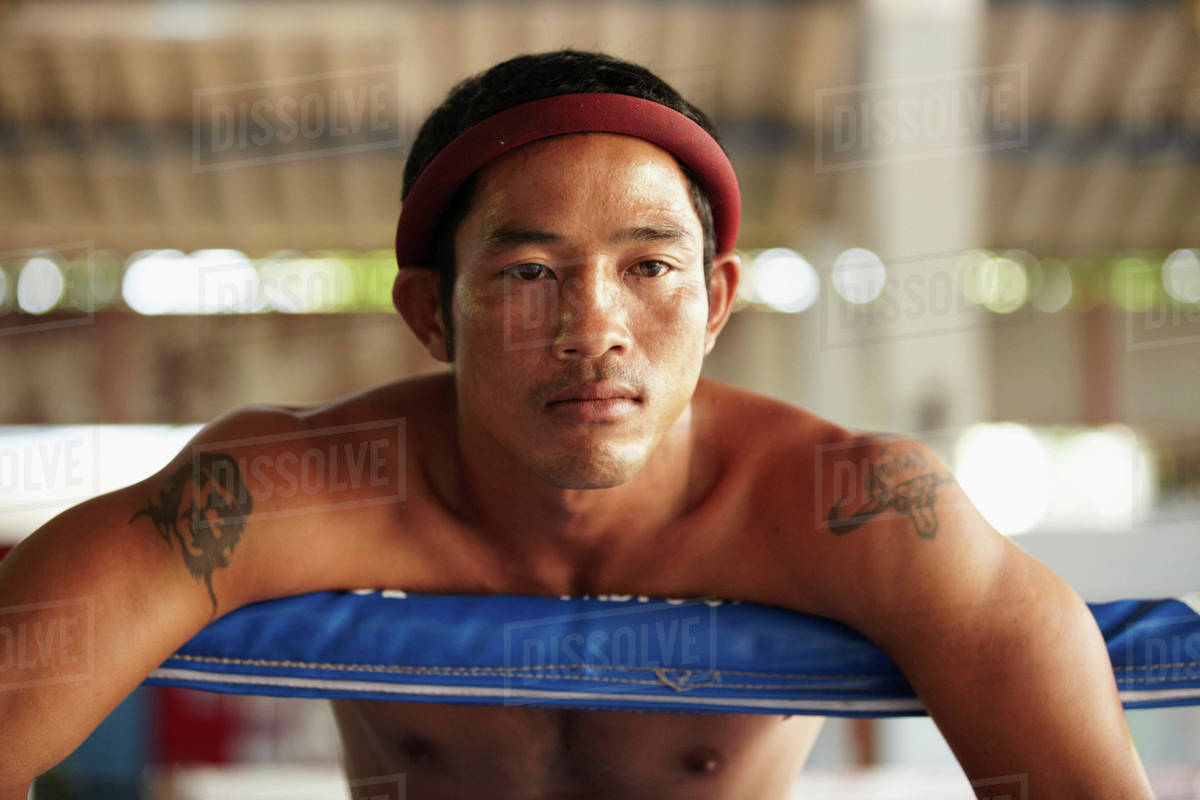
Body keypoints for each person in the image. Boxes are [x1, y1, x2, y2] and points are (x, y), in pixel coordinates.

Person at [0, 50, 1154, 800]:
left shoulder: (864, 509)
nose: (593, 328)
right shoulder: (286, 487)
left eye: (649, 265)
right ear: (430, 313)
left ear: (716, 302)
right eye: (527, 272)